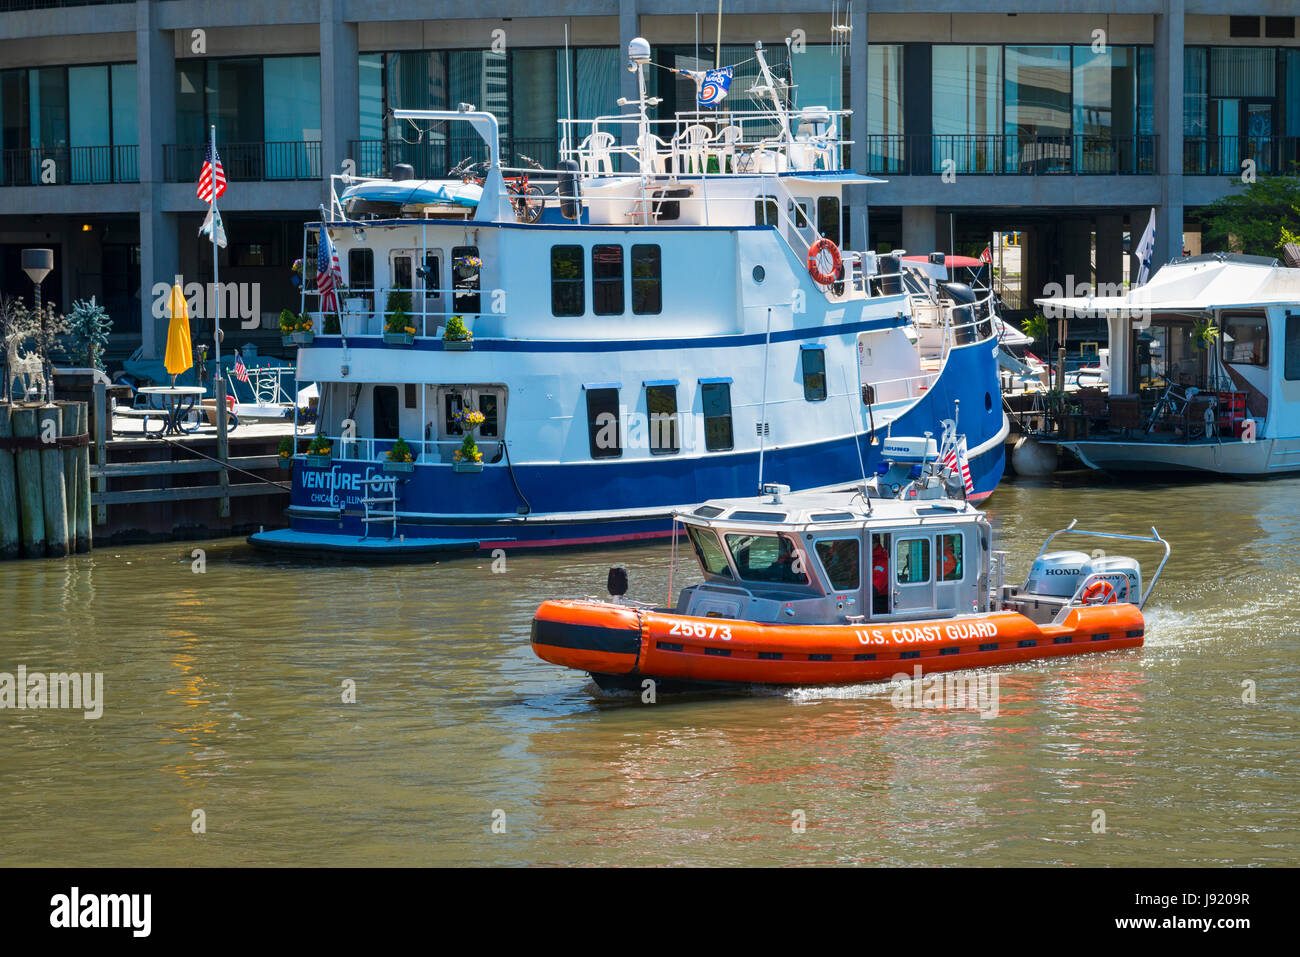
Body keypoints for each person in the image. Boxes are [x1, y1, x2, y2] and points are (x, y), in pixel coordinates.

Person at [872, 535, 889, 614]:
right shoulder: (868, 557)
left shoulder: (882, 561)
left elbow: (874, 589)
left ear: (876, 543)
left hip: (880, 599)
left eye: (873, 542)